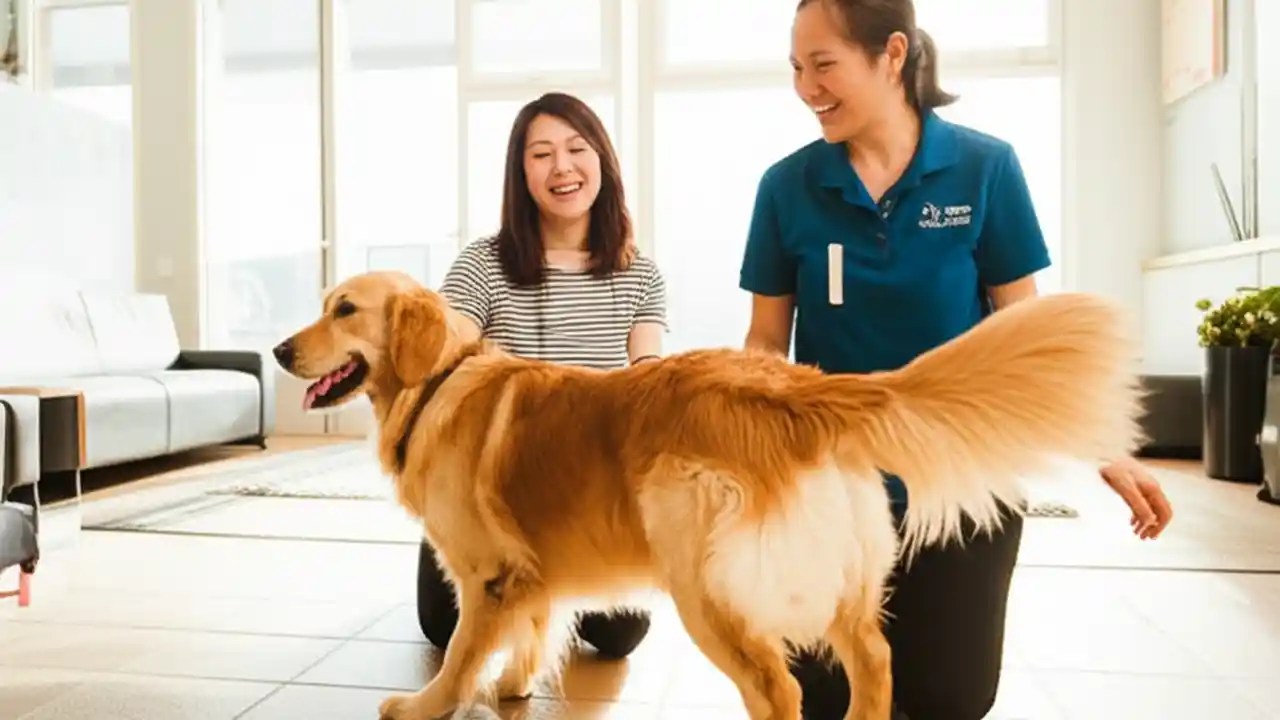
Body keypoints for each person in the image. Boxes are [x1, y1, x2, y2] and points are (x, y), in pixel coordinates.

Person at [739, 1, 1175, 718]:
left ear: (891, 54)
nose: (806, 87)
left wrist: (1107, 448)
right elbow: (764, 344)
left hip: (965, 484)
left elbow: (1025, 332)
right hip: (835, 487)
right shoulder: (786, 188)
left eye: (824, 65)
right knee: (821, 696)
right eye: (795, 67)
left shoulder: (984, 169)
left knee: (950, 697)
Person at [417, 91, 666, 663]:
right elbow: (440, 361)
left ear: (602, 161)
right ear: (520, 172)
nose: (562, 167)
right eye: (542, 154)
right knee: (442, 622)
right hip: (490, 485)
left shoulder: (641, 274)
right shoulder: (482, 263)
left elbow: (647, 379)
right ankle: (532, 597)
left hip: (590, 488)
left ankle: (543, 596)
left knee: (620, 635)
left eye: (577, 149)